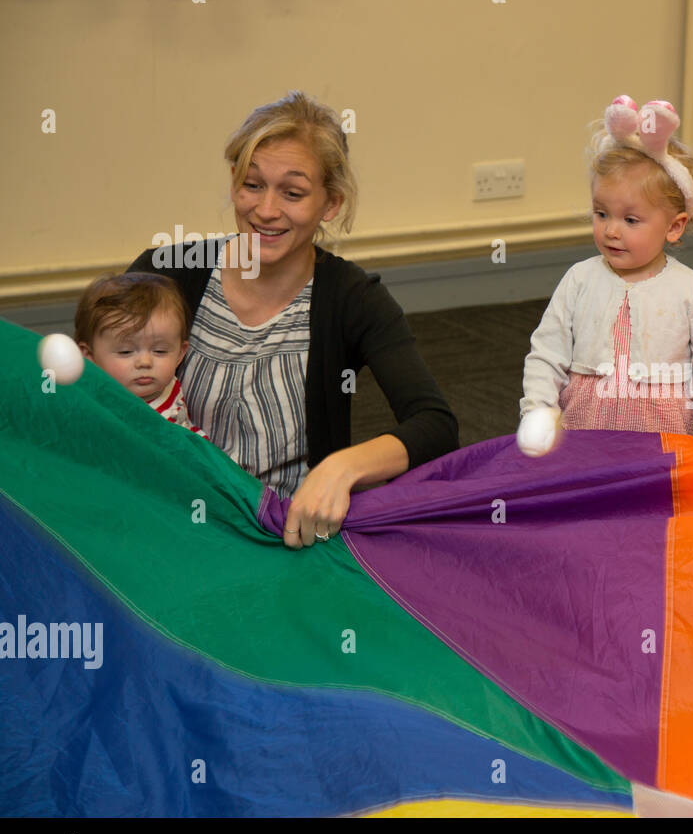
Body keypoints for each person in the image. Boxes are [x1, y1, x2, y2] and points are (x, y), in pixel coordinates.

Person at [129, 92, 458, 548]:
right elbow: (87, 386)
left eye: (293, 192)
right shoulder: (169, 272)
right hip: (165, 524)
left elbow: (434, 424)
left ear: (330, 204)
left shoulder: (351, 298)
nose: (266, 210)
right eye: (253, 184)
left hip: (285, 537)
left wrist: (342, 467)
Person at [520, 96, 693, 443]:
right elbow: (547, 355)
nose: (611, 230)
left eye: (631, 219)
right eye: (601, 214)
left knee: (655, 500)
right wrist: (538, 411)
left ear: (674, 226)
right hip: (583, 437)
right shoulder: (580, 279)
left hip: (661, 442)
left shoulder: (690, 289)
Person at [74, 272, 207, 438]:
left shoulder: (167, 386)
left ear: (180, 353)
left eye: (160, 351)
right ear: (89, 355)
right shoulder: (96, 407)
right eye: (126, 352)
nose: (145, 362)